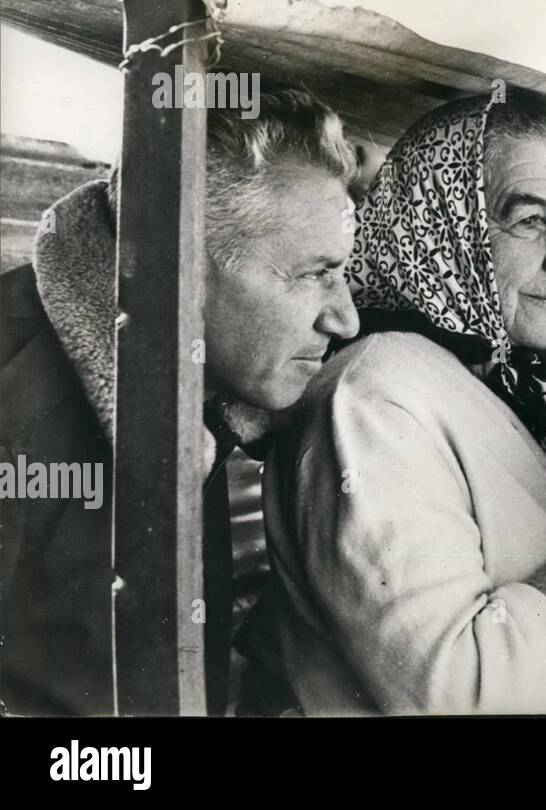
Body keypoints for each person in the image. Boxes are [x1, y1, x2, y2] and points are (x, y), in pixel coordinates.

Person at [242, 91, 546, 714]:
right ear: (442, 227)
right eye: (528, 220)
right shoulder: (376, 400)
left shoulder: (508, 383)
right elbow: (468, 696)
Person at [0, 84, 361, 716]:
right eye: (314, 274)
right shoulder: (17, 411)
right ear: (183, 265)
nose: (346, 319)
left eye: (343, 272)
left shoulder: (198, 369)